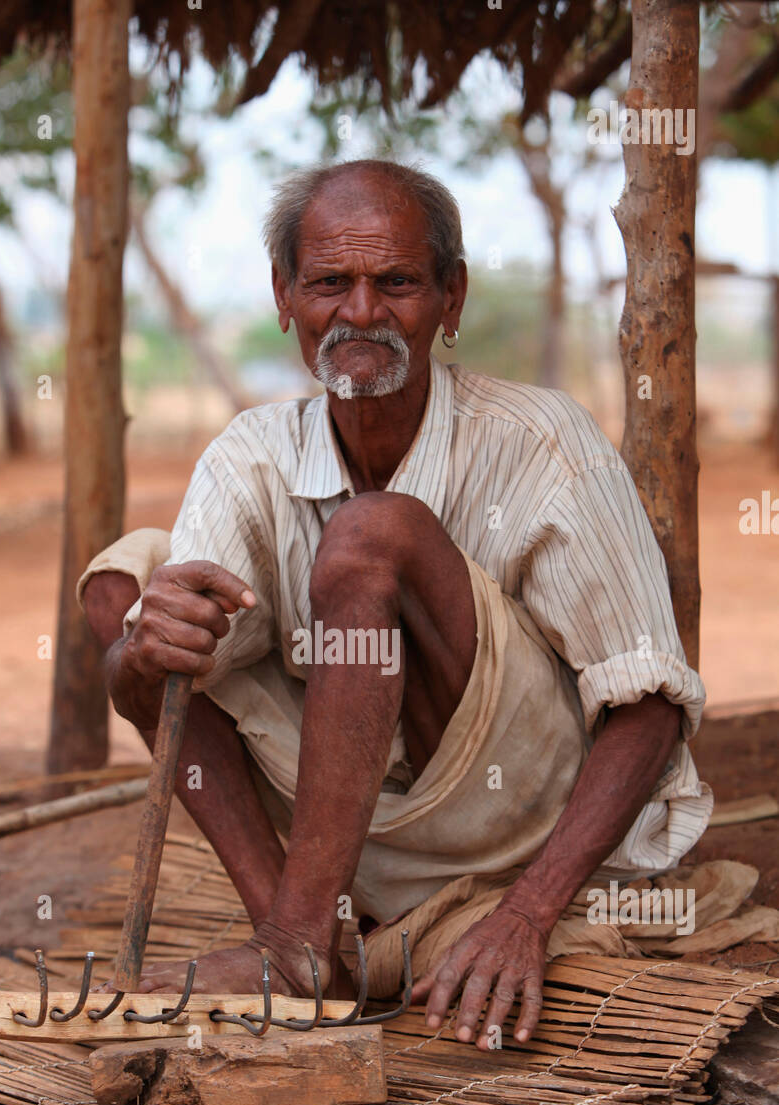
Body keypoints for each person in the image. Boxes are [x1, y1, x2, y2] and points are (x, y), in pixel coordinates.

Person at [80, 159, 710, 1049]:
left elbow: (649, 705)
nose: (362, 312)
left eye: (399, 282)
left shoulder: (540, 441)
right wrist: (139, 655)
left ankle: (292, 941)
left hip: (514, 817)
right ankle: (303, 945)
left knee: (374, 537)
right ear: (285, 296)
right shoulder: (250, 454)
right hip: (359, 831)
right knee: (135, 597)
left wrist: (528, 914)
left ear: (451, 300)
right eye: (331, 282)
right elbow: (162, 672)